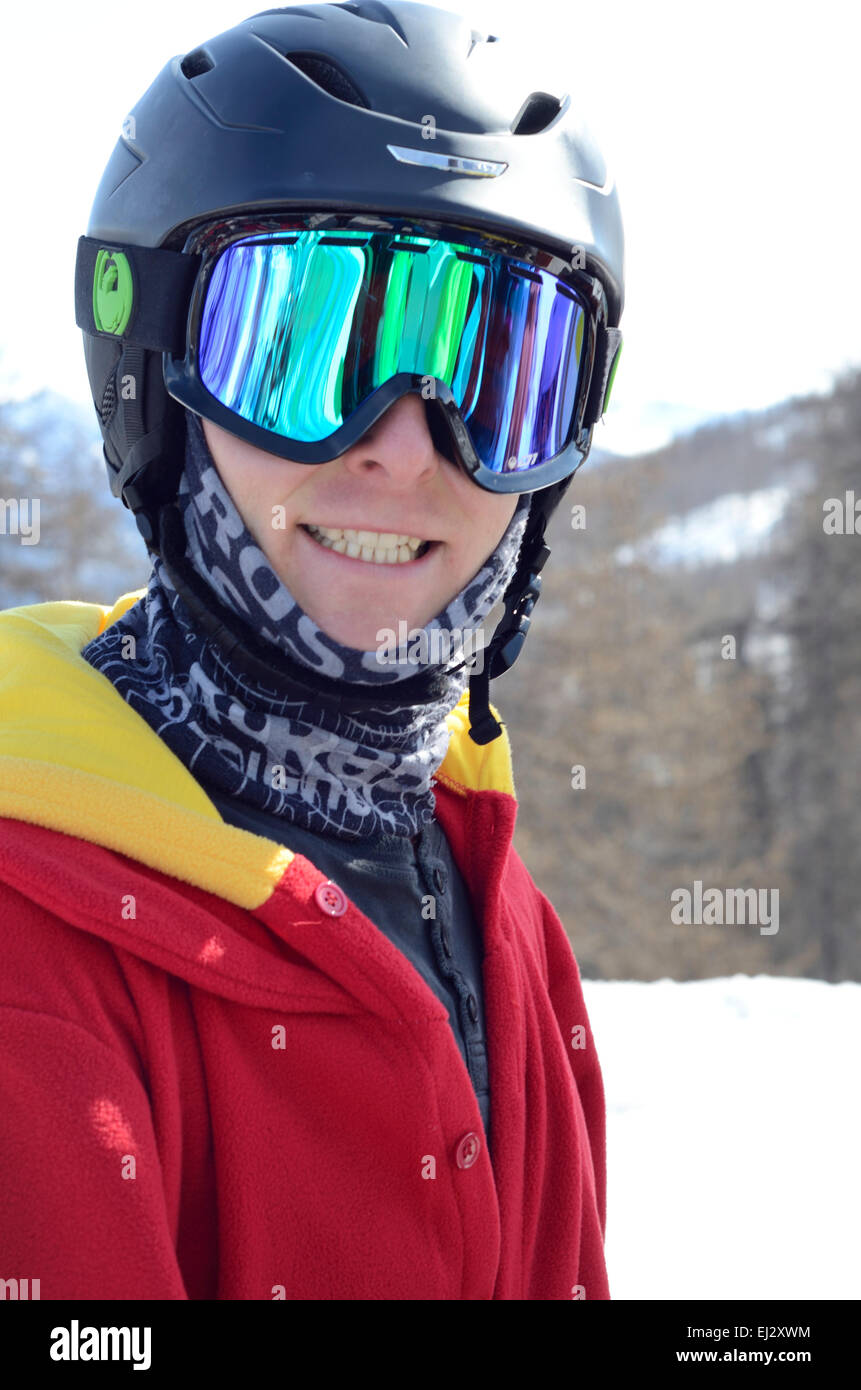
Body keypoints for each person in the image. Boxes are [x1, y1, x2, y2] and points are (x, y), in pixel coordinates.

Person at [0, 1, 623, 1300]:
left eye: (493, 373)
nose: (402, 447)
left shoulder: (498, 909)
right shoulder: (34, 957)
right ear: (155, 375)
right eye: (306, 343)